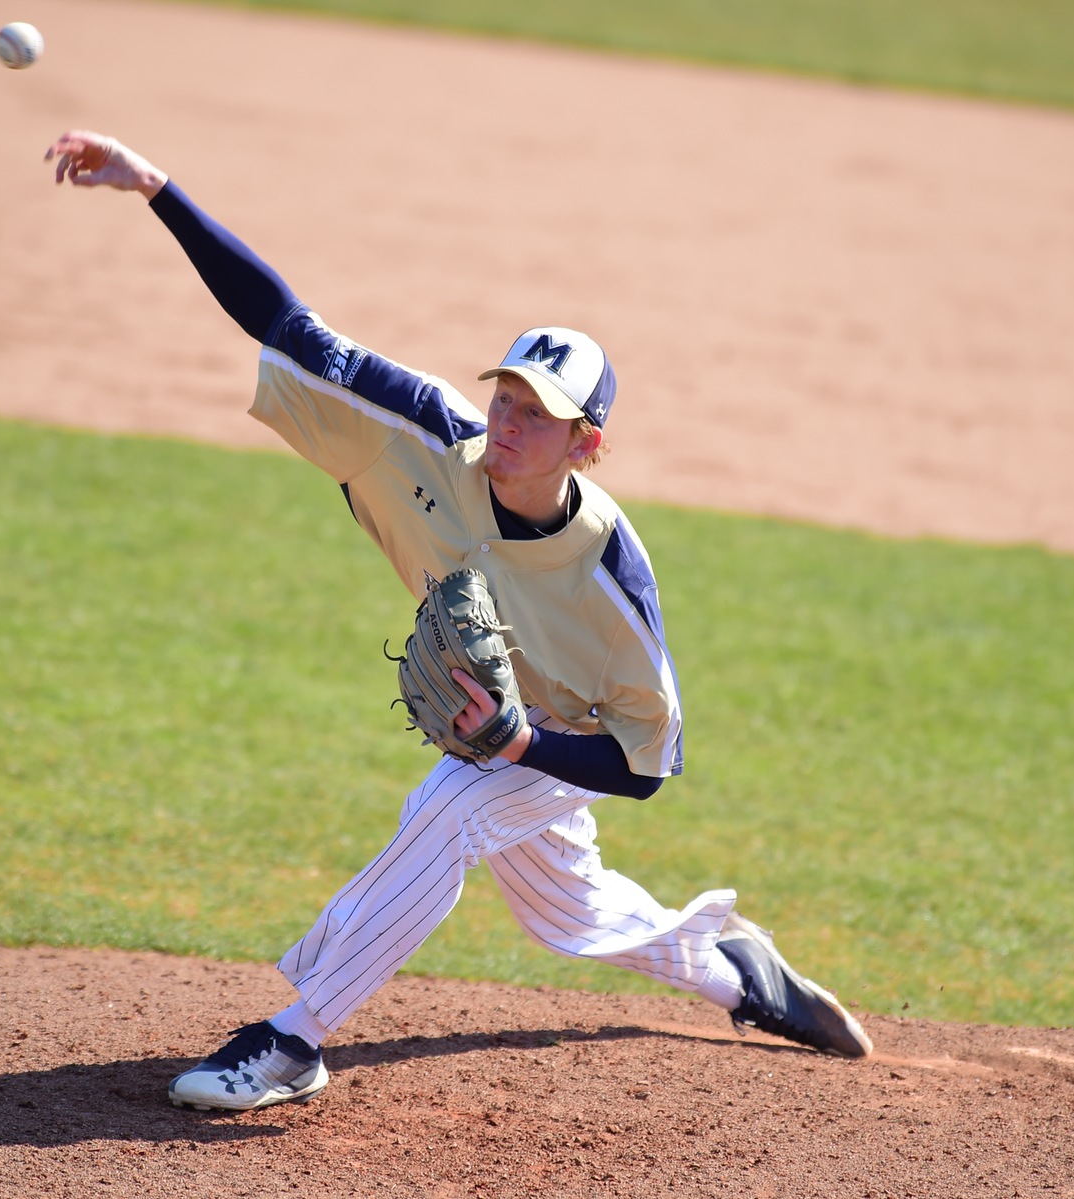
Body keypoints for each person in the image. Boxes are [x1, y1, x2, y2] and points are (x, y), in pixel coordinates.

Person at [44, 130, 873, 1112]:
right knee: (566, 913)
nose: (510, 420)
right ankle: (734, 968)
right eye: (506, 394)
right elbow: (285, 325)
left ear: (587, 443)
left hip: (563, 738)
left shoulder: (612, 580)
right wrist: (156, 190)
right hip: (504, 726)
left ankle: (293, 1039)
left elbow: (645, 765)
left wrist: (525, 740)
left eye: (541, 411)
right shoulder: (422, 431)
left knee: (446, 809)